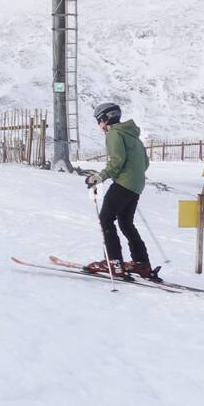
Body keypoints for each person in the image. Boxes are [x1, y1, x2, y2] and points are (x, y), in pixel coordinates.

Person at [83, 101, 155, 279]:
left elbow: (116, 161)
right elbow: (145, 163)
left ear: (107, 118)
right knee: (126, 223)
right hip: (136, 186)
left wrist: (99, 177)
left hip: (124, 184)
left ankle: (113, 263)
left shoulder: (114, 134)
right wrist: (132, 177)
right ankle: (141, 264)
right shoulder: (133, 135)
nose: (99, 125)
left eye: (99, 121)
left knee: (106, 219)